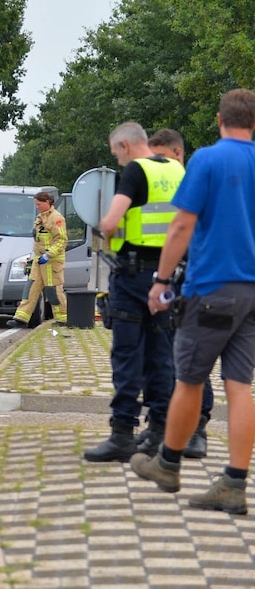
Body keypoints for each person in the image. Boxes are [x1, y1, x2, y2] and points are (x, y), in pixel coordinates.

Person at [130, 89, 255, 513]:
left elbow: (182, 224)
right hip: (252, 292)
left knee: (190, 379)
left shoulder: (207, 159)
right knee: (240, 386)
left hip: (213, 288)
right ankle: (234, 484)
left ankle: (168, 465)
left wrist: (161, 280)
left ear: (220, 120)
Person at [82, 122, 184, 463]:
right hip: (167, 276)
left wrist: (105, 238)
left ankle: (122, 435)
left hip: (132, 275)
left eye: (117, 154)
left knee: (127, 356)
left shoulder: (136, 171)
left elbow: (110, 222)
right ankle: (157, 433)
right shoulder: (176, 169)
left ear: (125, 145)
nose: (120, 161)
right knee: (161, 356)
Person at [147, 127, 212, 459]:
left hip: (195, 281)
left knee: (195, 359)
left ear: (177, 154)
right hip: (159, 278)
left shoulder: (198, 183)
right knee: (163, 357)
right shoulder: (148, 185)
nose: (156, 163)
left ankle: (197, 429)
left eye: (162, 156)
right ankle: (162, 425)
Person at [5, 192, 68, 328]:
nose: (37, 207)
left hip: (52, 262)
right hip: (39, 260)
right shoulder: (41, 217)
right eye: (36, 204)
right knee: (31, 288)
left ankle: (62, 319)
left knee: (53, 290)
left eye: (39, 204)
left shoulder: (56, 218)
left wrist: (49, 254)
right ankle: (21, 318)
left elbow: (62, 240)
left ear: (47, 202)